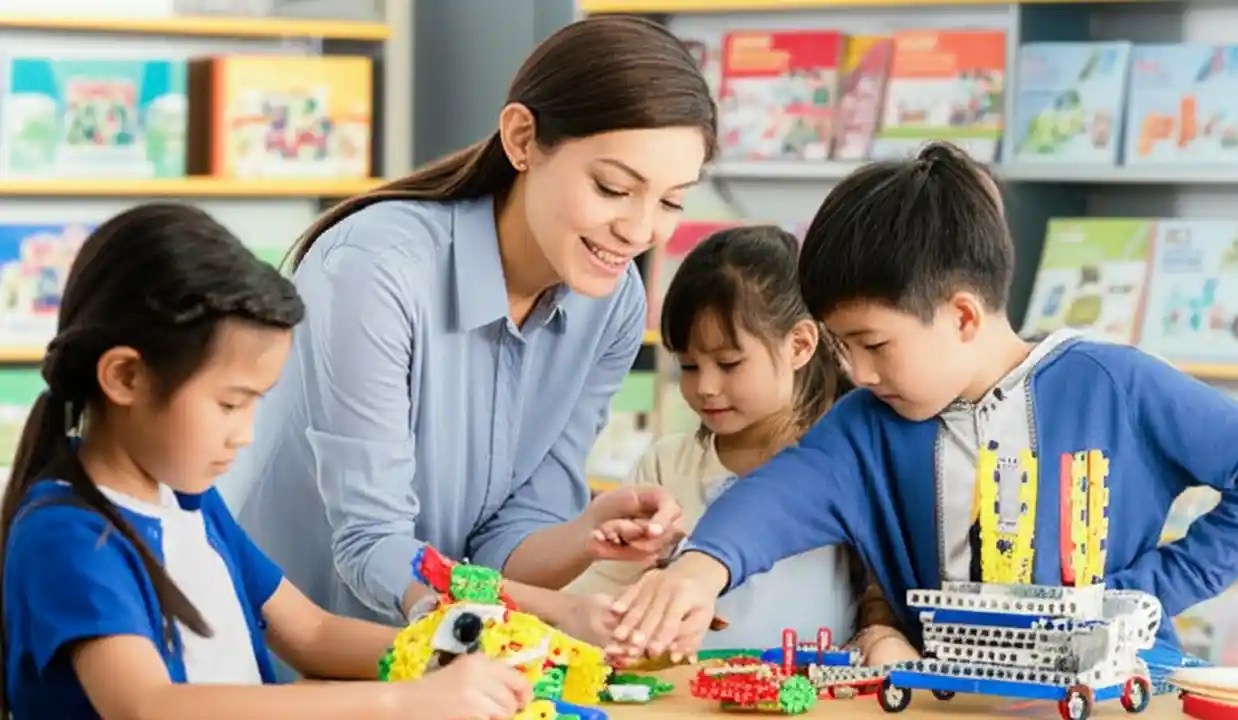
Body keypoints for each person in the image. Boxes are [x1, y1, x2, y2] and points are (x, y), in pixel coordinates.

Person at [603, 141, 1238, 662]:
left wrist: (1150, 593)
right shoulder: (867, 425)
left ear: (960, 316)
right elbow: (779, 493)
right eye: (842, 348)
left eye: (872, 343)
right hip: (951, 696)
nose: (857, 373)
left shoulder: (1115, 384)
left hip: (1105, 685)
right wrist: (699, 567)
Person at [229, 13, 715, 645]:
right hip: (282, 658)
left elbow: (508, 537)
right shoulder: (375, 269)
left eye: (672, 200)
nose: (641, 229)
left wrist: (585, 535)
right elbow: (371, 546)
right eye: (613, 187)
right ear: (521, 139)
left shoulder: (613, 301)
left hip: (447, 661)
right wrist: (551, 613)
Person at [0, 203, 532, 720]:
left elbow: (313, 635)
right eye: (230, 404)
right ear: (125, 377)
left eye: (258, 402)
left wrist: (450, 657)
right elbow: (149, 707)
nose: (246, 434)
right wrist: (403, 704)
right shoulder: (67, 535)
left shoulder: (188, 501)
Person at [569, 226, 915, 663]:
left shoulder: (840, 468)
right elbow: (602, 591)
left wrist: (880, 637)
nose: (706, 387)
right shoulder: (666, 466)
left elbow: (881, 598)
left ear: (800, 344)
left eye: (729, 363)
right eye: (689, 366)